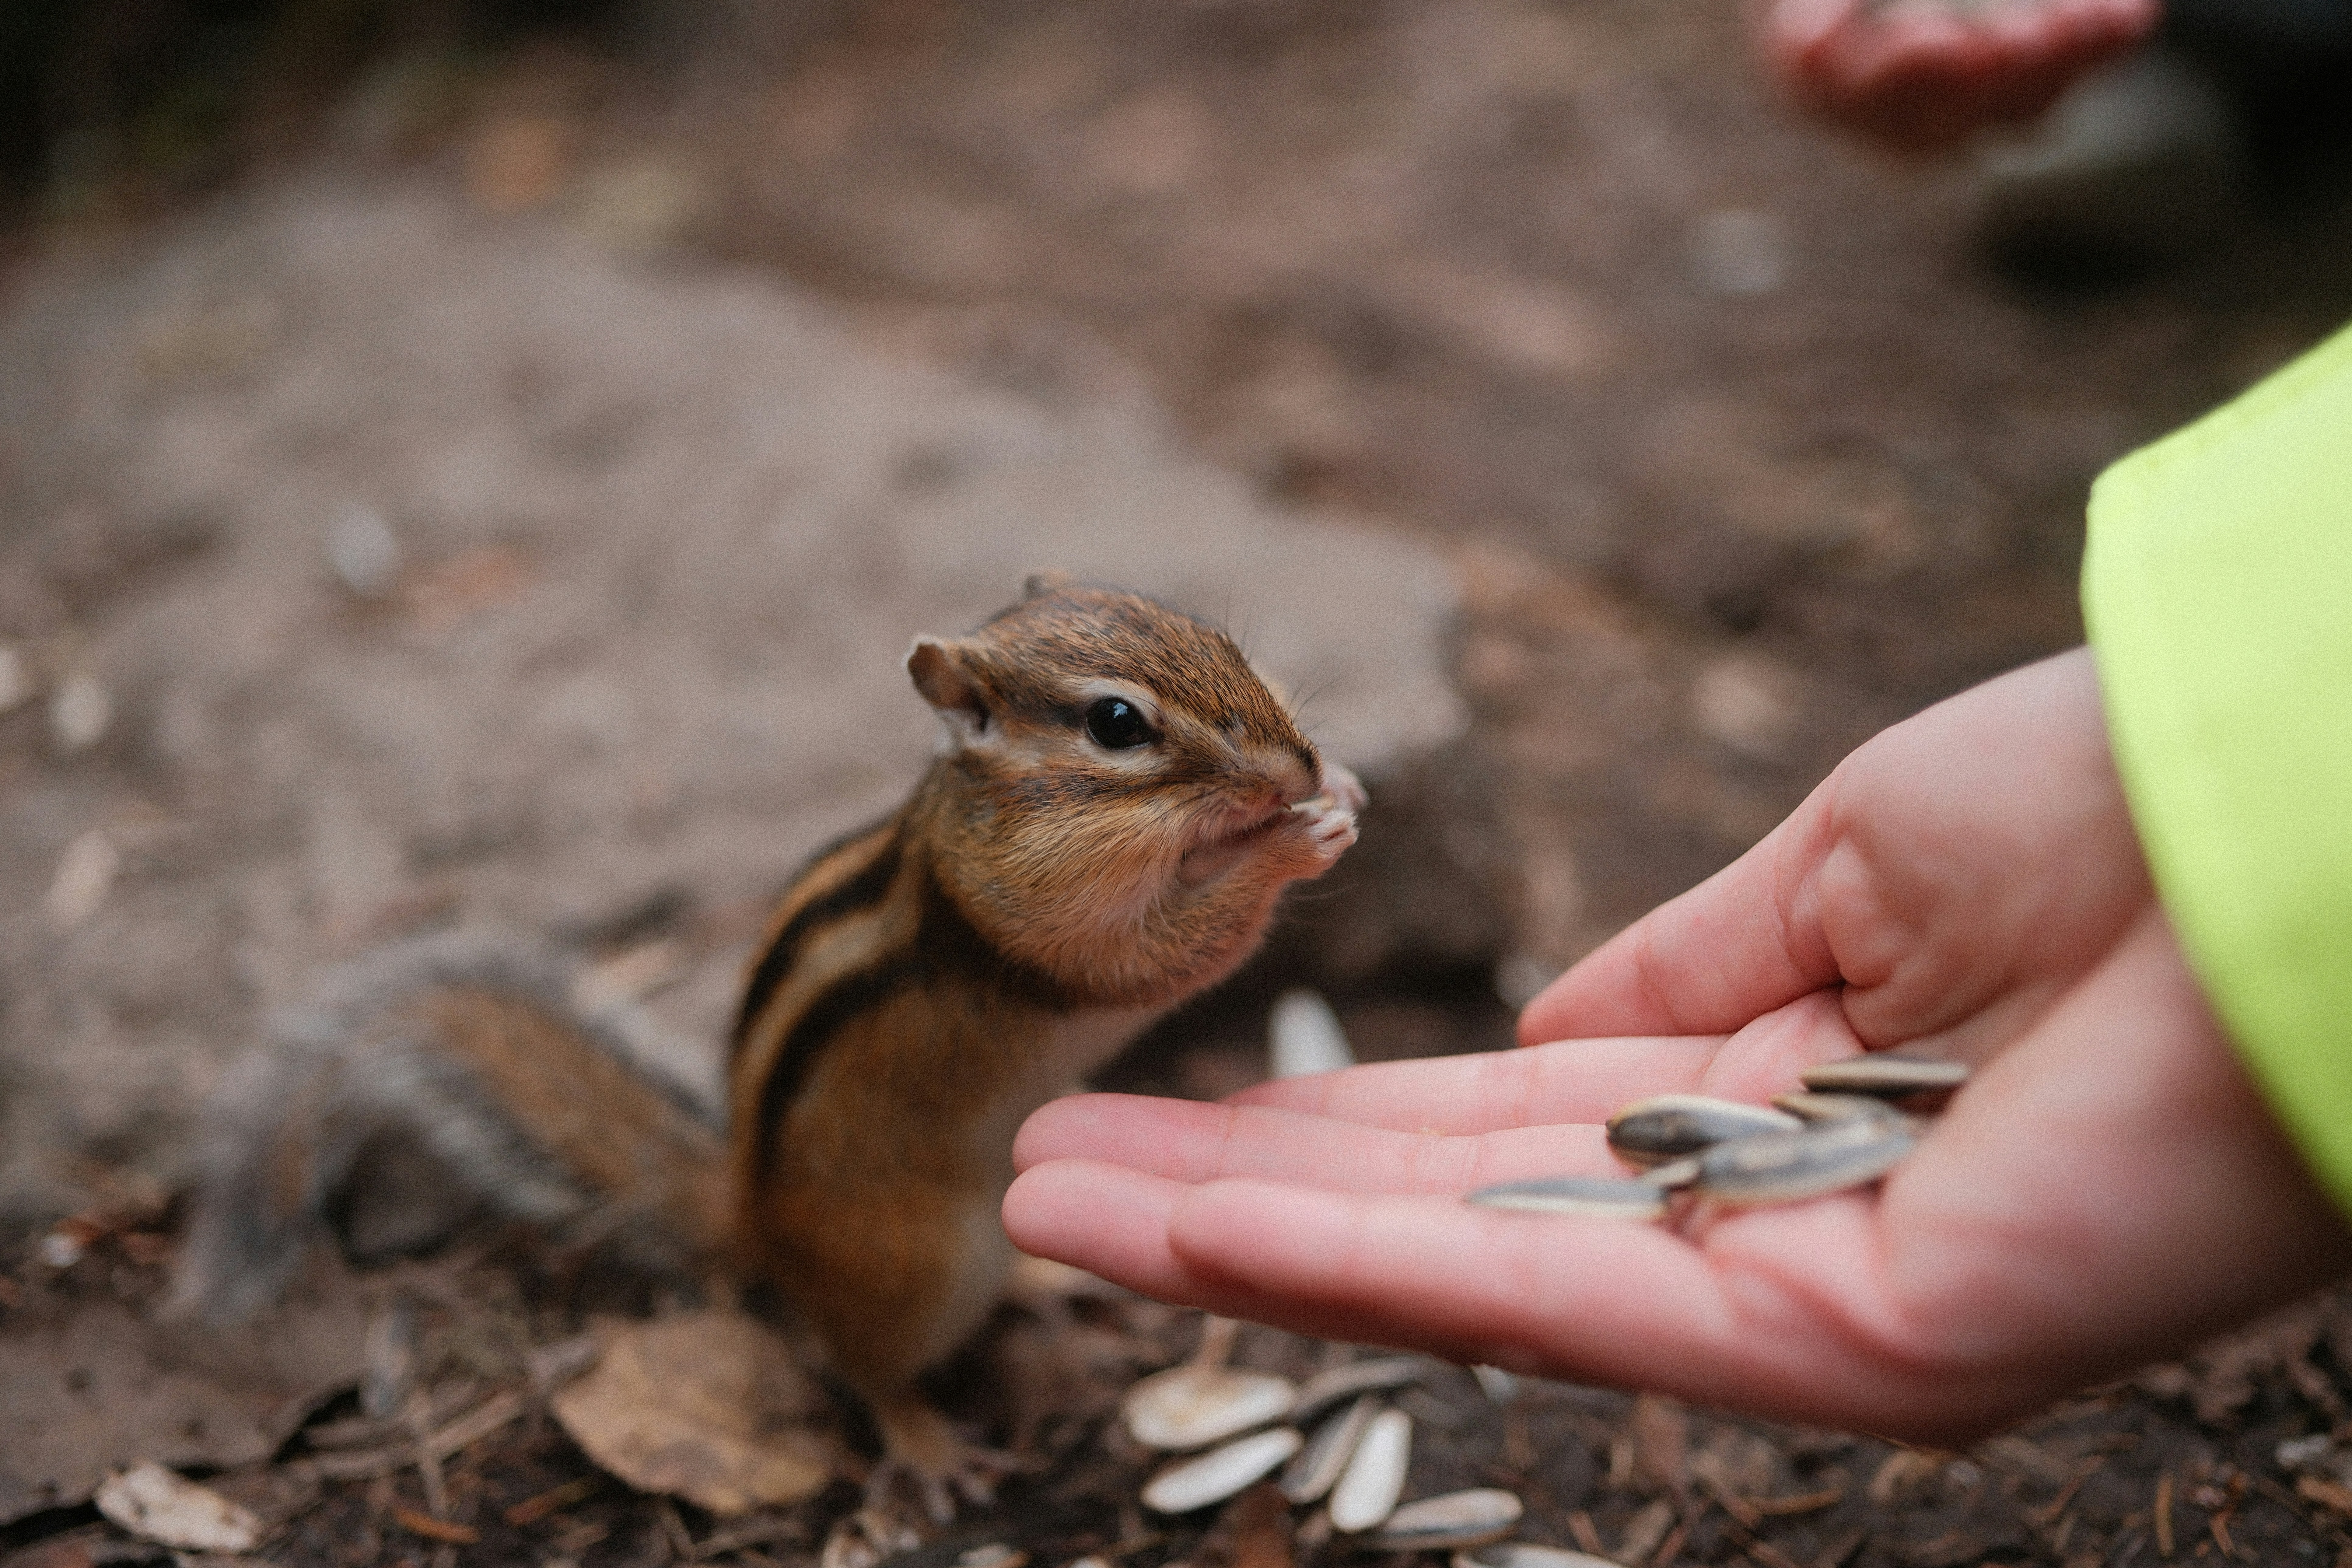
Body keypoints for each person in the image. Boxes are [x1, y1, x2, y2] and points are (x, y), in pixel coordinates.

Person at [1002, 324, 2352, 1444]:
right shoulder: (1028, 887)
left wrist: (2189, 785)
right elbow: (1134, 961)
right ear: (972, 722)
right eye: (1124, 734)